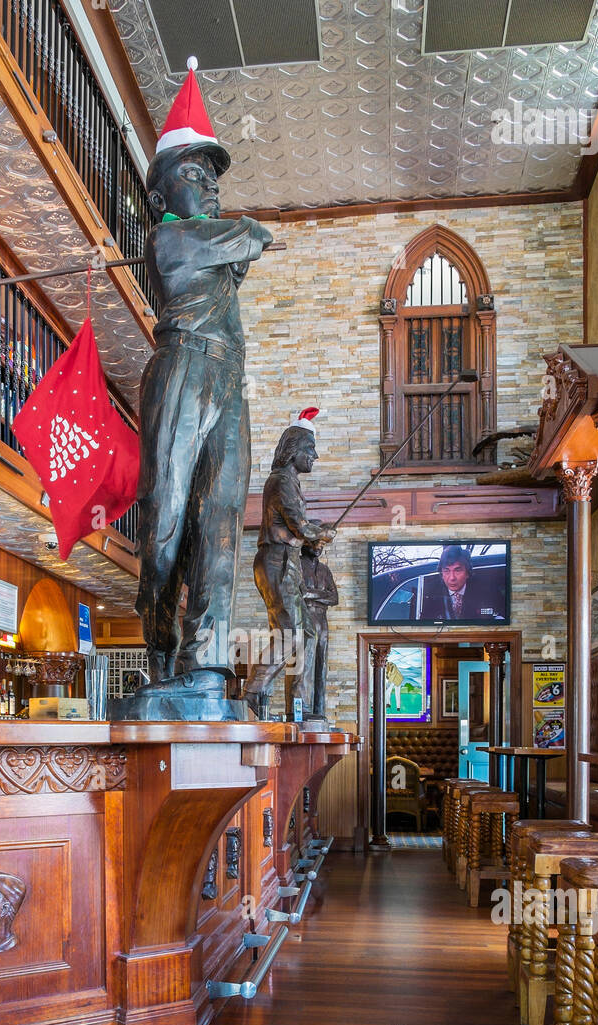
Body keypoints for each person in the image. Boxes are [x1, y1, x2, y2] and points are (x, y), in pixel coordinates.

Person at [134, 58, 272, 698]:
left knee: (221, 522)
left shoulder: (211, 242)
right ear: (160, 195)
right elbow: (250, 233)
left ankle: (207, 665)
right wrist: (239, 233)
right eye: (193, 174)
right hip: (182, 368)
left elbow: (241, 246)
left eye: (213, 176)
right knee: (164, 525)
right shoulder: (171, 238)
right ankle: (160, 647)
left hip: (227, 379)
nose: (210, 186)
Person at [244, 410, 335, 718]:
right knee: (289, 635)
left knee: (306, 635)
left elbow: (296, 529)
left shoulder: (290, 481)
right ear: (294, 450)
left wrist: (312, 537)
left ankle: (300, 706)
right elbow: (298, 525)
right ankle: (251, 694)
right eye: (310, 451)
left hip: (287, 562)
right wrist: (321, 533)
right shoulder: (282, 480)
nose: (315, 457)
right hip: (277, 561)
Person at [300, 540, 339, 719]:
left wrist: (311, 593)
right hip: (304, 616)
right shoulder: (297, 564)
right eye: (315, 543)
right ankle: (304, 710)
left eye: (321, 545)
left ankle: (319, 710)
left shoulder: (324, 570)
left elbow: (334, 598)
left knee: (321, 664)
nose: (319, 548)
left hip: (322, 619)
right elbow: (299, 592)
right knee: (305, 664)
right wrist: (321, 595)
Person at [417, 544, 504, 622]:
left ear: (467, 573)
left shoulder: (486, 592)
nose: (452, 578)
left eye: (457, 570)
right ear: (442, 574)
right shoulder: (431, 596)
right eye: (446, 571)